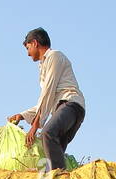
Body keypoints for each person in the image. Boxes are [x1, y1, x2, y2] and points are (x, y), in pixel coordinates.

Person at [7, 28, 85, 171]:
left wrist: (35, 126)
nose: (28, 53)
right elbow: (43, 100)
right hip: (62, 109)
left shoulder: (54, 56)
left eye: (28, 47)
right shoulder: (43, 66)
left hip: (70, 104)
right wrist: (22, 115)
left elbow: (48, 91)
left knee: (47, 133)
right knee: (54, 151)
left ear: (35, 43)